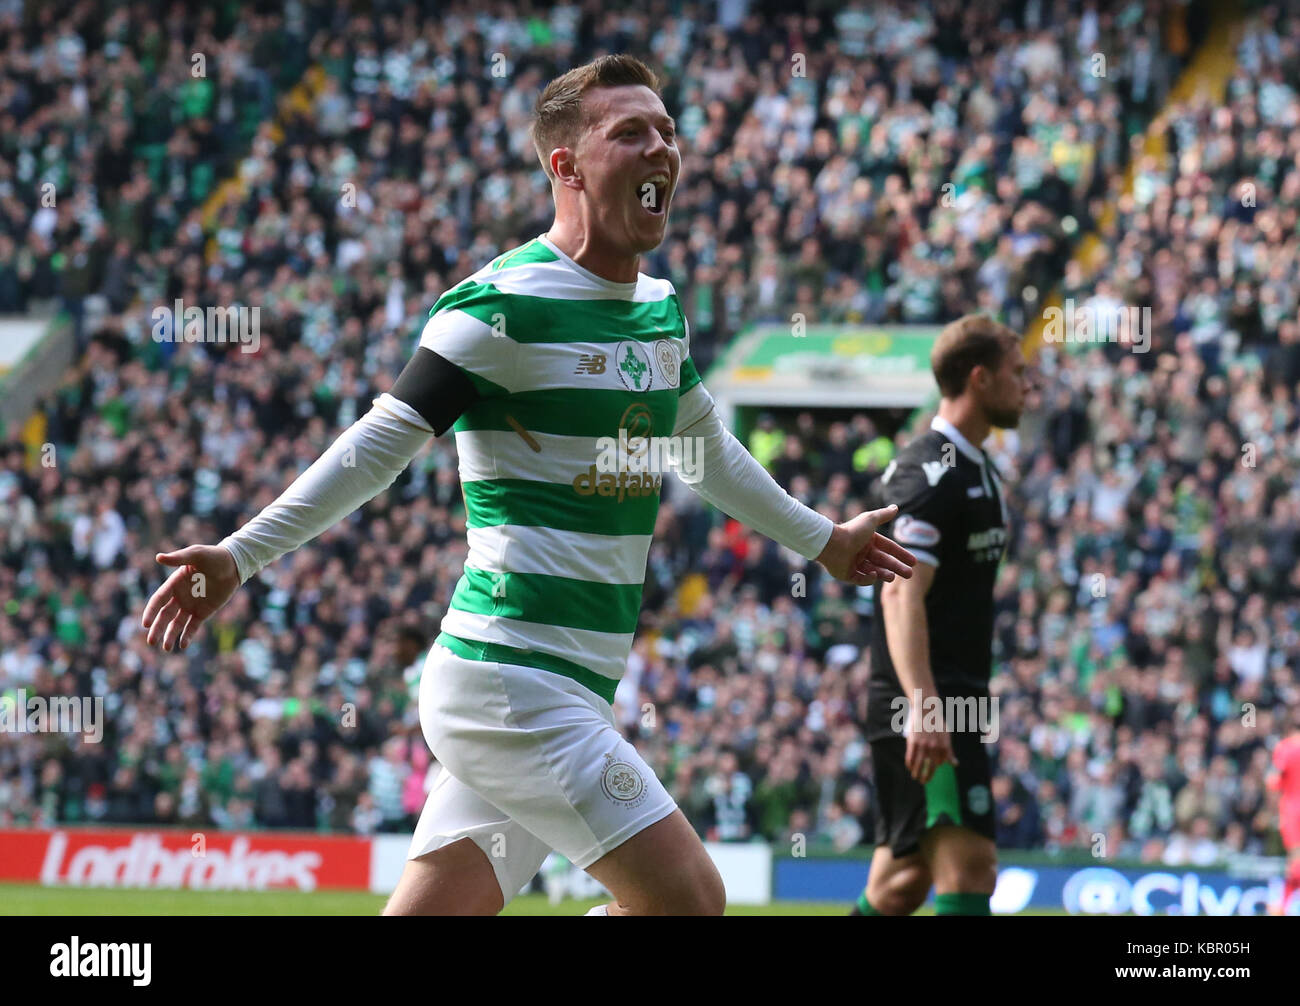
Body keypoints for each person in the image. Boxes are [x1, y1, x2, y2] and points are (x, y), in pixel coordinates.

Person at [139, 55, 916, 916]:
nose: (662, 148)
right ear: (566, 166)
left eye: (667, 131)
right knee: (692, 902)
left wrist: (825, 539)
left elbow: (704, 451)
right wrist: (241, 556)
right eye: (631, 132)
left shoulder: (658, 310)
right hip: (510, 679)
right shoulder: (499, 306)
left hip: (565, 686)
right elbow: (376, 447)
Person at [852, 315, 1029, 916]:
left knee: (900, 884)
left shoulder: (979, 467)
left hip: (955, 693)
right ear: (980, 379)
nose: (1028, 387)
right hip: (929, 700)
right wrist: (925, 703)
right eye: (1018, 374)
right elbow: (899, 593)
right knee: (970, 868)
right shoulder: (928, 470)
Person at [1268, 713, 1300, 915]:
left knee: (1296, 859)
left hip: (1292, 810)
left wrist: (1272, 811)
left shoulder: (1286, 747)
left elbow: (1272, 780)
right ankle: (1282, 905)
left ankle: (1281, 906)